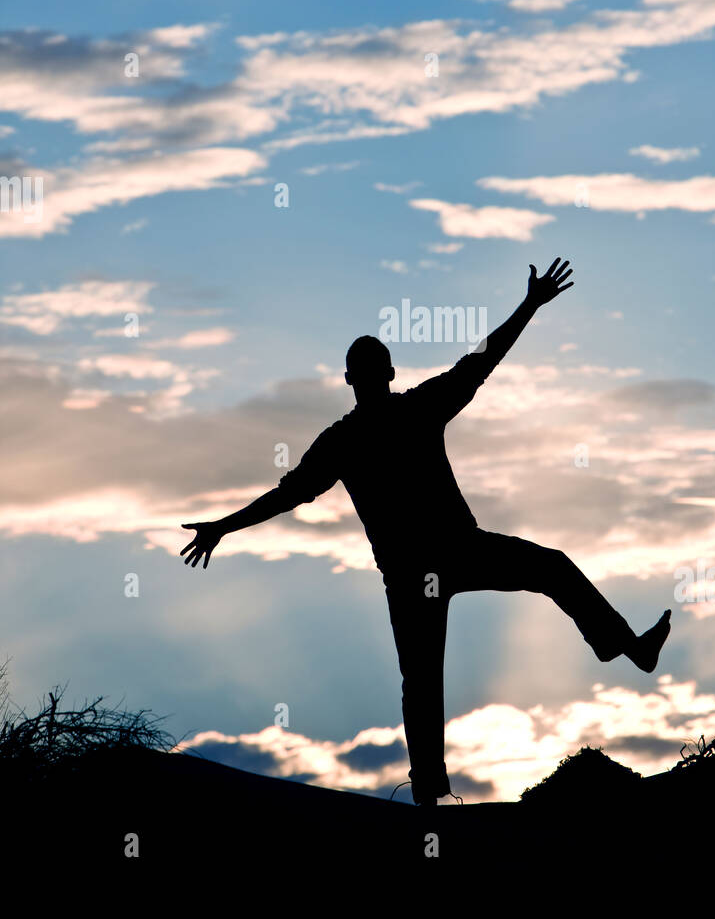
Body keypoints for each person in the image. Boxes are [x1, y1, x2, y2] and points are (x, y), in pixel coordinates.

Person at [181, 259, 671, 805]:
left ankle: (623, 650)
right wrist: (223, 526)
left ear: (367, 378)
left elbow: (479, 363)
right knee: (441, 662)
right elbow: (478, 364)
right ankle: (433, 791)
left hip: (442, 557)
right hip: (438, 560)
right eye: (367, 370)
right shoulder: (376, 425)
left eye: (369, 370)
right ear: (371, 377)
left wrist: (529, 307)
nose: (369, 377)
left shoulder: (382, 423)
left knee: (438, 665)